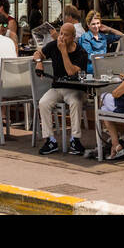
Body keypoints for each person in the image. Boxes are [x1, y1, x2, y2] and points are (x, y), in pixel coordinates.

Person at [33, 21, 88, 155]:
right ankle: (50, 140)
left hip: (76, 89)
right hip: (57, 88)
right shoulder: (54, 45)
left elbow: (71, 71)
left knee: (75, 102)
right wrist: (39, 62)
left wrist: (63, 51)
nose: (62, 37)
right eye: (61, 33)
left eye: (66, 35)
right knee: (43, 103)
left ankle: (75, 139)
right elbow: (38, 52)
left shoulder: (81, 52)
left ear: (74, 37)